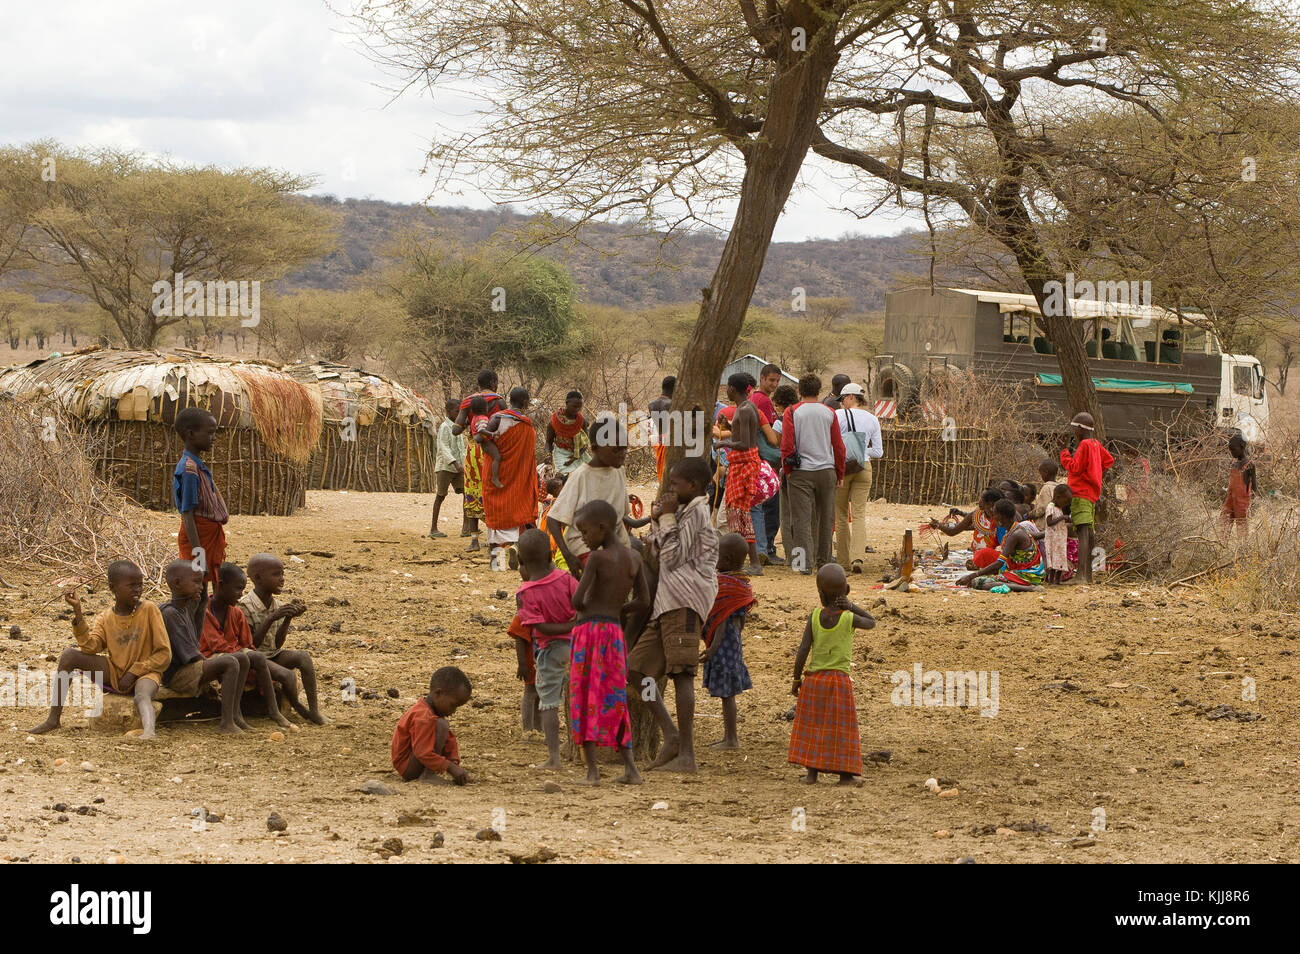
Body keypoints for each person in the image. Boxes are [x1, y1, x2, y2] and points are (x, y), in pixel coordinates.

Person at [631, 457, 718, 773]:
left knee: (682, 675)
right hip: (667, 604)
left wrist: (665, 518)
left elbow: (669, 557)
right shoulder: (683, 512)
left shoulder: (697, 513)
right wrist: (659, 520)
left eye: (675, 484)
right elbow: (654, 547)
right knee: (637, 671)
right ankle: (671, 734)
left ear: (693, 486)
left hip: (684, 602)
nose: (670, 490)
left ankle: (688, 756)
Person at [30, 561, 170, 738]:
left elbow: (164, 654)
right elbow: (90, 647)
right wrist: (78, 612)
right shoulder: (105, 617)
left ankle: (149, 731)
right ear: (113, 588)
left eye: (140, 585)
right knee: (69, 656)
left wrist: (134, 672)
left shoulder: (149, 610)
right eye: (131, 585)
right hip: (115, 672)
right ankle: (53, 719)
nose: (138, 590)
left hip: (146, 673)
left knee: (142, 695)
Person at [568, 499, 649, 785]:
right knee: (614, 698)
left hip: (589, 632)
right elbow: (644, 601)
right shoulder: (635, 559)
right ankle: (631, 769)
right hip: (615, 635)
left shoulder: (598, 560)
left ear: (602, 528)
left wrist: (588, 599)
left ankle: (593, 772)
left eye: (585, 532)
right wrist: (618, 610)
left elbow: (578, 600)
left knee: (584, 696)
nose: (584, 539)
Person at [789, 563, 874, 784]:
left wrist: (797, 679)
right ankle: (845, 776)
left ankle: (811, 774)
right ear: (846, 592)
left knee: (813, 727)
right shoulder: (849, 618)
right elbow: (872, 622)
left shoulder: (814, 617)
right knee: (842, 729)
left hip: (814, 680)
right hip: (839, 682)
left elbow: (802, 651)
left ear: (819, 593)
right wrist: (852, 606)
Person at [514, 528, 578, 770]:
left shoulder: (526, 593)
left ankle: (554, 757)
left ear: (520, 561)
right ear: (552, 554)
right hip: (576, 646)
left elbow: (536, 626)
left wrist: (563, 628)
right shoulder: (566, 578)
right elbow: (580, 603)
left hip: (549, 650)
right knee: (576, 697)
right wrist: (573, 626)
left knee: (549, 702)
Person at [160, 559, 245, 733]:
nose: (200, 586)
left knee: (242, 658)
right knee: (229, 663)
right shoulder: (170, 613)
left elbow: (201, 604)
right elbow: (189, 655)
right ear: (177, 583)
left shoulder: (184, 608)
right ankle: (227, 722)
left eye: (202, 582)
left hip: (187, 668)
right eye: (196, 582)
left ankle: (236, 714)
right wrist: (210, 668)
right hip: (175, 675)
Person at [240, 553, 325, 724]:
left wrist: (288, 618)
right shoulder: (244, 606)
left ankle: (314, 710)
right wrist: (271, 619)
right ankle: (300, 708)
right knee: (287, 676)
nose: (282, 579)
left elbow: (277, 644)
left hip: (271, 655)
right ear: (258, 578)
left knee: (303, 657)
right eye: (276, 574)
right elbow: (251, 644)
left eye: (282, 574)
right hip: (254, 659)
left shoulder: (276, 605)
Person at [201, 563, 290, 728]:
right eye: (237, 589)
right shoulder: (203, 611)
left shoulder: (235, 612)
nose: (240, 594)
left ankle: (274, 711)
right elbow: (214, 644)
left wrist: (243, 652)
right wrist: (238, 651)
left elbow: (248, 643)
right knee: (241, 657)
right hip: (208, 656)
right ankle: (235, 714)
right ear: (220, 585)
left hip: (231, 652)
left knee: (256, 657)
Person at [547, 416, 635, 577]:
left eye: (624, 449)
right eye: (616, 450)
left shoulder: (619, 472)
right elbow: (553, 520)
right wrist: (568, 555)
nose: (622, 454)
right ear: (595, 448)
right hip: (586, 545)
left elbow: (621, 515)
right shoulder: (581, 476)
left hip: (615, 543)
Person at [780, 374, 846, 573]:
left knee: (801, 520)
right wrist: (840, 474)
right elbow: (839, 446)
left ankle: (803, 564)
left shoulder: (791, 412)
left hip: (801, 473)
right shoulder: (829, 412)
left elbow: (786, 446)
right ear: (819, 391)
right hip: (826, 471)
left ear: (799, 391)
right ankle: (823, 562)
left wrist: (789, 470)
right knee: (826, 518)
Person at [700, 533, 755, 750]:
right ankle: (729, 736)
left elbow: (722, 618)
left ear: (729, 560)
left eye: (718, 555)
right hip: (733, 644)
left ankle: (731, 738)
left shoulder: (726, 584)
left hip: (723, 646)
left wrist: (713, 647)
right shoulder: (740, 583)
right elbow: (739, 620)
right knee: (727, 693)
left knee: (727, 694)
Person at [479, 387, 539, 570]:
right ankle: (515, 549)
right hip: (519, 477)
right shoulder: (526, 423)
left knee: (497, 515)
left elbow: (482, 439)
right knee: (517, 512)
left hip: (496, 475)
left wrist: (494, 454)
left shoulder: (497, 418)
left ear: (510, 400)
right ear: (525, 403)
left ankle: (498, 563)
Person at [174, 406, 230, 593]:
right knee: (196, 592)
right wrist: (199, 554)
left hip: (205, 537)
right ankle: (196, 623)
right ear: (191, 434)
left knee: (203, 592)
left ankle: (204, 623)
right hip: (198, 539)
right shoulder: (190, 470)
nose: (214, 438)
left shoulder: (197, 466)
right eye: (210, 433)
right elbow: (188, 515)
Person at [453, 370, 506, 551]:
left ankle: (474, 540)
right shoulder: (499, 402)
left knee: (473, 492)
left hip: (473, 454)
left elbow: (456, 429)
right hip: (491, 450)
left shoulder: (468, 402)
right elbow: (506, 428)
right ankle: (494, 540)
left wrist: (471, 421)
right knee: (492, 493)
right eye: (496, 381)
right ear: (492, 382)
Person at [391, 667, 472, 785]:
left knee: (442, 725)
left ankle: (428, 772)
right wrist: (450, 767)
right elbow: (422, 752)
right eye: (453, 705)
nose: (454, 711)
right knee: (442, 724)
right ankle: (428, 774)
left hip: (413, 761)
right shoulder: (423, 716)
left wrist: (454, 763)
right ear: (438, 693)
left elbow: (449, 741)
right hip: (408, 767)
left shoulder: (431, 713)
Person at [718, 372, 764, 574]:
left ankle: (752, 563)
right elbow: (745, 433)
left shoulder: (744, 410)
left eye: (728, 386)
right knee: (740, 515)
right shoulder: (747, 407)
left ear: (733, 388)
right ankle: (750, 562)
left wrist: (723, 442)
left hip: (743, 465)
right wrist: (729, 426)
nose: (726, 390)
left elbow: (744, 443)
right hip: (744, 464)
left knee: (739, 515)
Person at [1059, 411, 1114, 583]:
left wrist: (1064, 453)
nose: (1074, 433)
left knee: (1082, 532)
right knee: (1088, 532)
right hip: (1091, 494)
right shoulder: (1096, 444)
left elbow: (1074, 468)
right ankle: (1088, 576)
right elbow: (1109, 460)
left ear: (1081, 429)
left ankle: (1080, 575)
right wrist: (1094, 474)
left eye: (1075, 429)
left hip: (1080, 493)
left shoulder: (1084, 445)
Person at [834, 382, 883, 572]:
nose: (841, 403)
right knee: (859, 514)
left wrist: (848, 450)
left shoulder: (837, 416)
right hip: (864, 467)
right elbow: (878, 452)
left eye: (842, 399)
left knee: (841, 515)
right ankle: (858, 559)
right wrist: (861, 449)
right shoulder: (872, 419)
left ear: (851, 397)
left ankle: (843, 561)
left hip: (842, 469)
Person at [958, 500, 1046, 591]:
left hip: (1030, 574)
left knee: (980, 583)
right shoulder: (1013, 529)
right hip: (1027, 570)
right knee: (980, 579)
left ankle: (1029, 588)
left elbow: (1000, 563)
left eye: (995, 514)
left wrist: (973, 575)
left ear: (1002, 516)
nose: (993, 516)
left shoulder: (1015, 534)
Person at [755, 365, 785, 565]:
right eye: (771, 380)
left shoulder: (758, 399)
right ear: (762, 378)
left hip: (761, 460)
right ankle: (768, 549)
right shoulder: (762, 400)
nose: (774, 384)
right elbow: (772, 437)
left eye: (777, 381)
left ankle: (764, 548)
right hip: (767, 461)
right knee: (771, 508)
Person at [431, 398, 467, 538]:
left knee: (466, 494)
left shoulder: (458, 427)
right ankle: (433, 528)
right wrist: (455, 463)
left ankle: (466, 527)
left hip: (458, 467)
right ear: (448, 411)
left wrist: (462, 463)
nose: (458, 414)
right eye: (456, 411)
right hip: (445, 467)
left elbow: (461, 448)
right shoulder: (445, 427)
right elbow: (443, 447)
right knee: (440, 496)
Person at [929, 488, 1003, 551]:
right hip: (979, 556)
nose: (979, 501)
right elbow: (952, 532)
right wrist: (938, 525)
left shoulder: (1002, 518)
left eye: (982, 498)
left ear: (990, 503)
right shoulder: (975, 515)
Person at [1221, 432, 1255, 538]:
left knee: (1242, 526)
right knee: (1224, 522)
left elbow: (1254, 486)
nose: (1232, 453)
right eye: (1230, 450)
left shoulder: (1249, 465)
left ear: (1242, 447)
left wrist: (1254, 502)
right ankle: (1220, 547)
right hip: (1230, 499)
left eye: (1234, 449)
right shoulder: (1234, 464)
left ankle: (1242, 549)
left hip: (1242, 501)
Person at [546, 390, 587, 476]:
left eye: (579, 407)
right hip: (561, 454)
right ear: (566, 403)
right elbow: (549, 442)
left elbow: (585, 444)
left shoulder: (581, 421)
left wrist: (576, 456)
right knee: (567, 478)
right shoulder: (554, 421)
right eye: (575, 406)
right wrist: (548, 455)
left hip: (578, 455)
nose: (577, 409)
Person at [649, 376, 676, 484]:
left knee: (663, 474)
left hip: (660, 442)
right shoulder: (672, 404)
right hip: (672, 442)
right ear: (675, 388)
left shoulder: (651, 405)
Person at [1044, 483, 1072, 584]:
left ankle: (1057, 580)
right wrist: (1062, 518)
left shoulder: (1059, 508)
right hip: (1053, 540)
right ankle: (1051, 580)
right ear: (1058, 497)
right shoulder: (1050, 507)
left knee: (1060, 558)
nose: (1067, 503)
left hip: (1060, 539)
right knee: (1053, 559)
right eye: (1066, 501)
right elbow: (1049, 522)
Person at [1028, 459, 1059, 531]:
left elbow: (1042, 509)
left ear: (1046, 472)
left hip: (1045, 526)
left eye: (1041, 473)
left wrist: (1029, 514)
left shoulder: (1046, 488)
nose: (1041, 476)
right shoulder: (1059, 487)